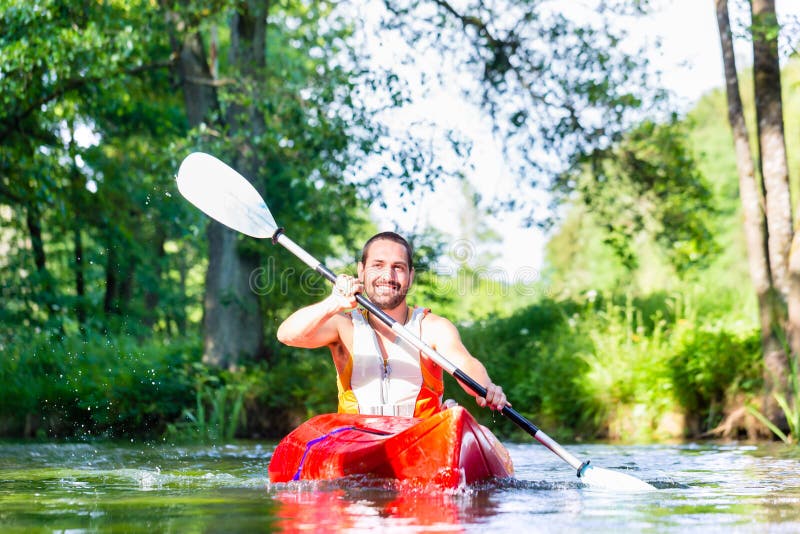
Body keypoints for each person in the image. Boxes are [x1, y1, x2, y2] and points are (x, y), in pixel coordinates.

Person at [276, 231, 508, 418]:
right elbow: (288, 335)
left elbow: (465, 364)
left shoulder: (433, 328)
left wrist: (485, 387)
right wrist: (333, 303)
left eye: (398, 267)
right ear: (361, 270)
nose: (388, 275)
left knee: (453, 413)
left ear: (411, 276)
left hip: (420, 440)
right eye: (378, 265)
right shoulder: (343, 325)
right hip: (357, 440)